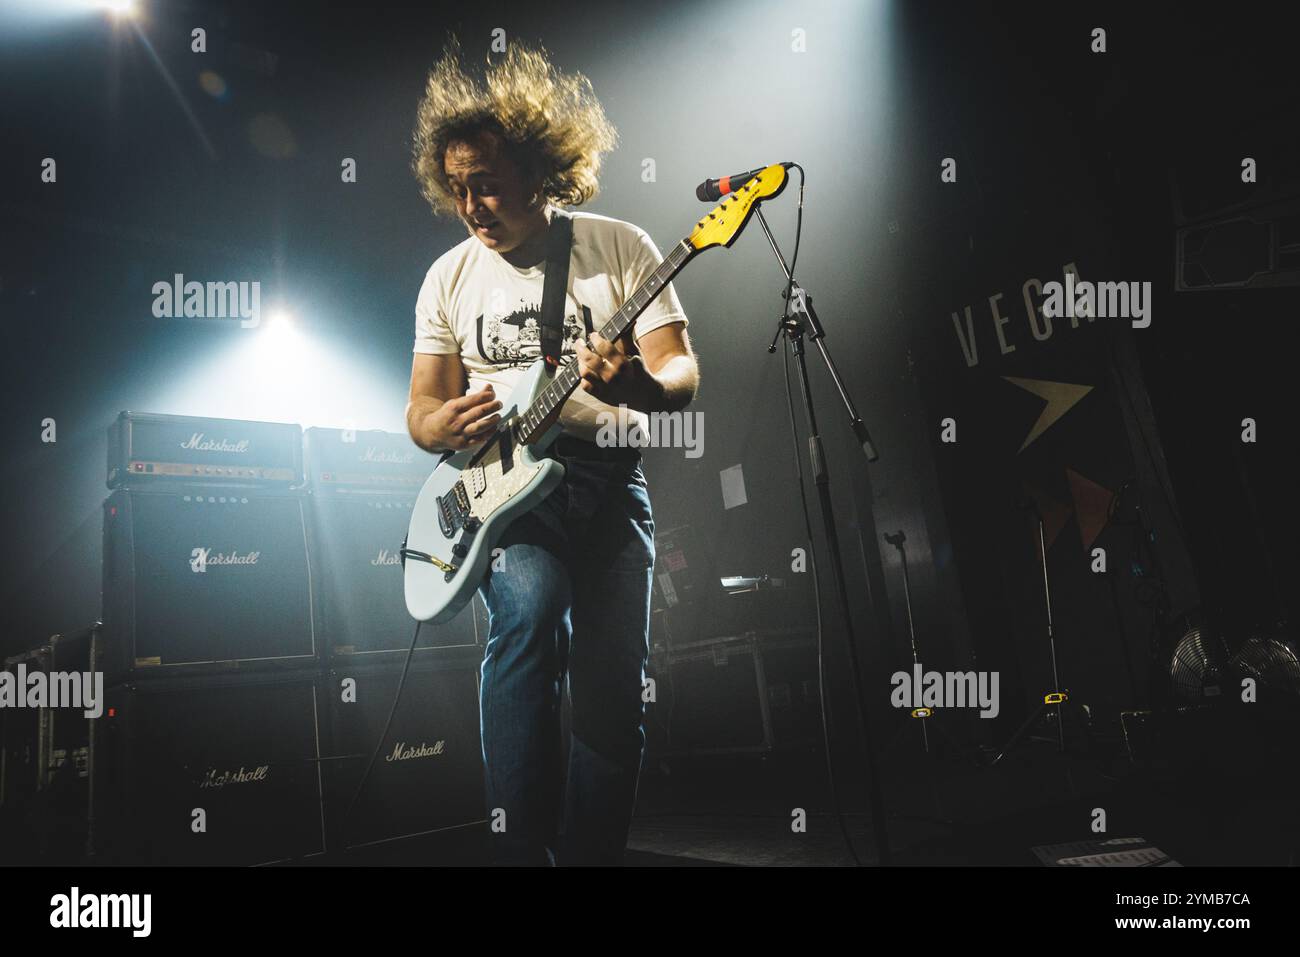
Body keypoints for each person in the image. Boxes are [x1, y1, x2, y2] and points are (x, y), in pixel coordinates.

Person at [405, 39, 699, 865]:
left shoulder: (620, 248)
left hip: (608, 481)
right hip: (509, 495)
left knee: (613, 695)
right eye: (457, 187)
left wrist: (637, 380)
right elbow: (420, 410)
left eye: (486, 183)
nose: (469, 204)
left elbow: (682, 373)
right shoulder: (448, 277)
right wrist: (443, 426)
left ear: (539, 172)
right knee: (530, 616)